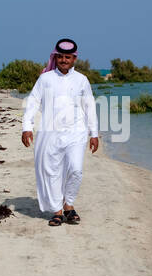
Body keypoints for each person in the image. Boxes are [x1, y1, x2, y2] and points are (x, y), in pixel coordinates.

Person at [20, 38, 100, 226]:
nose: (64, 60)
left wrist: (94, 133)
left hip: (76, 132)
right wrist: (26, 128)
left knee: (76, 169)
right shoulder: (45, 79)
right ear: (55, 58)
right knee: (52, 171)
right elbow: (32, 103)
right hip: (50, 133)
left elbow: (90, 107)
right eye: (61, 57)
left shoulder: (82, 80)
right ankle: (58, 211)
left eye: (68, 57)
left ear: (74, 59)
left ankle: (69, 204)